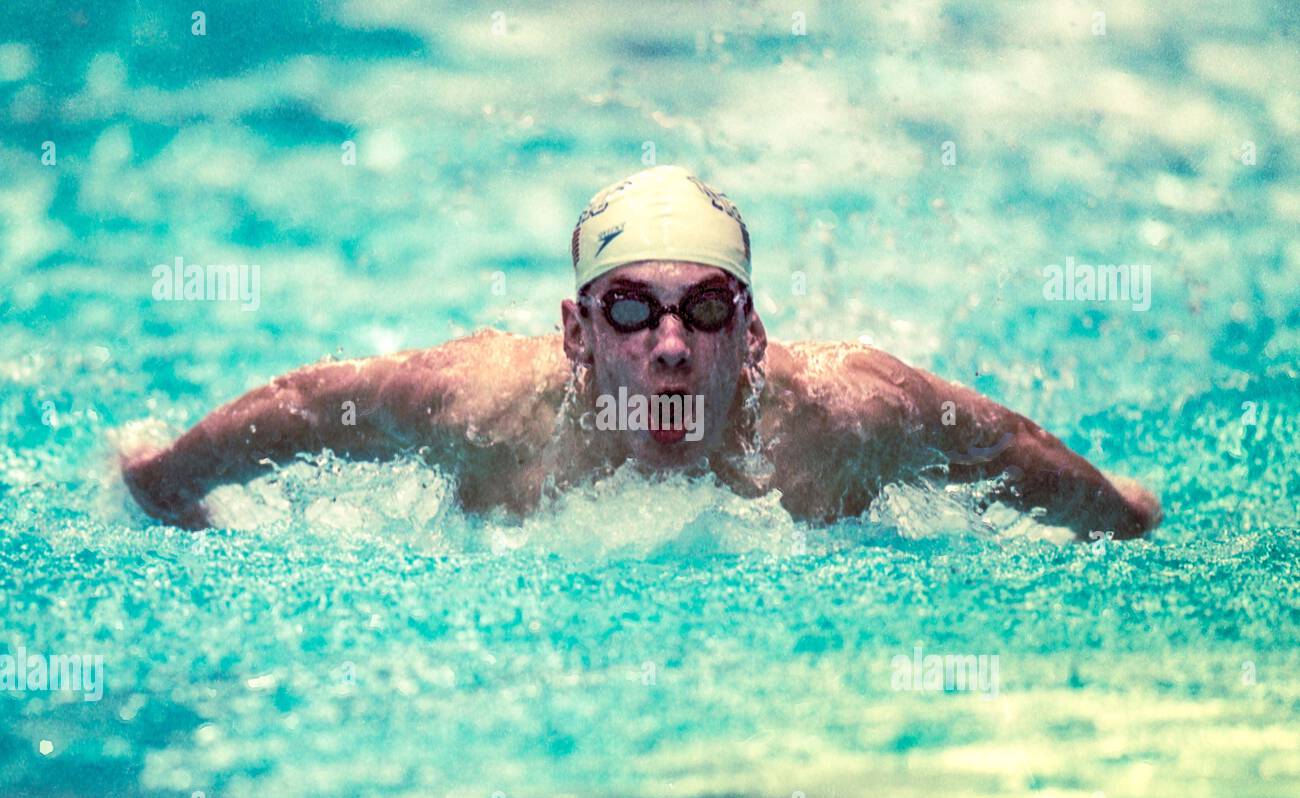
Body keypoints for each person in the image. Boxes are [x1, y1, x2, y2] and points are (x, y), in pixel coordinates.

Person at [121, 165, 1162, 539]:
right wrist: (168, 478)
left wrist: (1117, 516)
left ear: (750, 336)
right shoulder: (481, 410)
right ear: (575, 335)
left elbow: (1000, 447)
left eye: (705, 312)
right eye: (630, 312)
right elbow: (309, 406)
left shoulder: (845, 419)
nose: (670, 349)